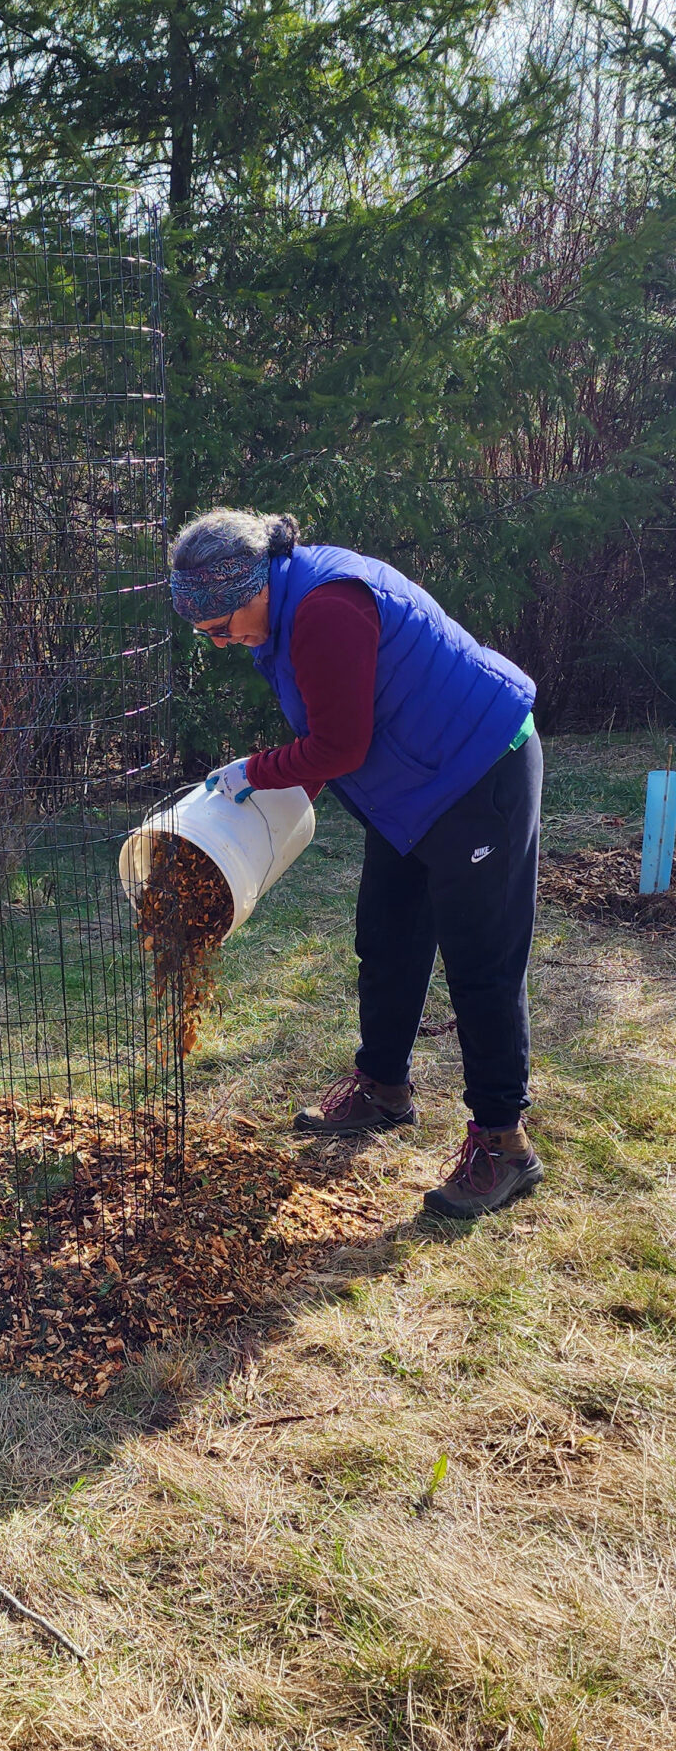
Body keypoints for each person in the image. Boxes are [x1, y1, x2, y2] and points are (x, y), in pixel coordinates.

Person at [168, 508, 543, 1220]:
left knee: (481, 963)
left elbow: (339, 746)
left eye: (220, 625)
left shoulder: (327, 608)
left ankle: (505, 1143)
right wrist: (266, 794)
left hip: (477, 770)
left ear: (254, 584)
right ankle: (383, 1088)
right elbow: (333, 727)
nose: (219, 642)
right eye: (204, 632)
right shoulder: (278, 607)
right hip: (413, 785)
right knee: (389, 938)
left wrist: (256, 769)